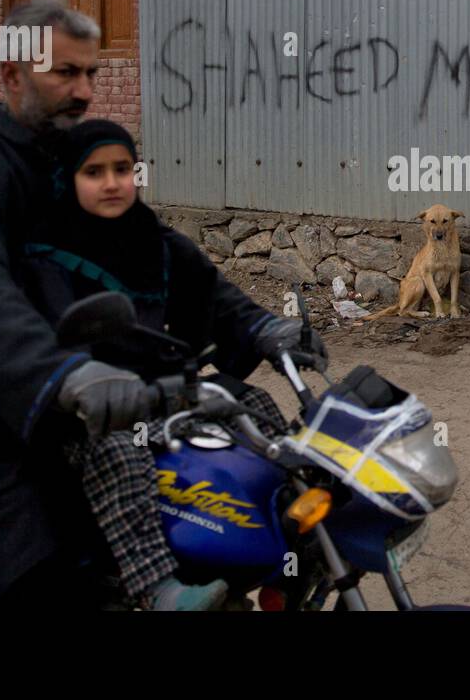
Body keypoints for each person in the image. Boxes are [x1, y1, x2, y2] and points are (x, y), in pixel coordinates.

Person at [0, 0, 324, 606]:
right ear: (12, 76)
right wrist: (65, 374)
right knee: (54, 558)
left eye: (90, 74)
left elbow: (164, 255)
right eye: (63, 73)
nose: (82, 91)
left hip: (58, 408)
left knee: (224, 471)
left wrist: (259, 325)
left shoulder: (72, 169)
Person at [22, 119, 306, 610]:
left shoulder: (154, 240)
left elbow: (217, 297)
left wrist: (267, 331)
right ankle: (157, 590)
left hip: (156, 395)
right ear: (69, 179)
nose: (111, 182)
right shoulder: (46, 252)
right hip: (73, 410)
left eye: (122, 169)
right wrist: (79, 379)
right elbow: (28, 342)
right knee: (118, 449)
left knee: (252, 405)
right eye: (93, 172)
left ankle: (286, 558)